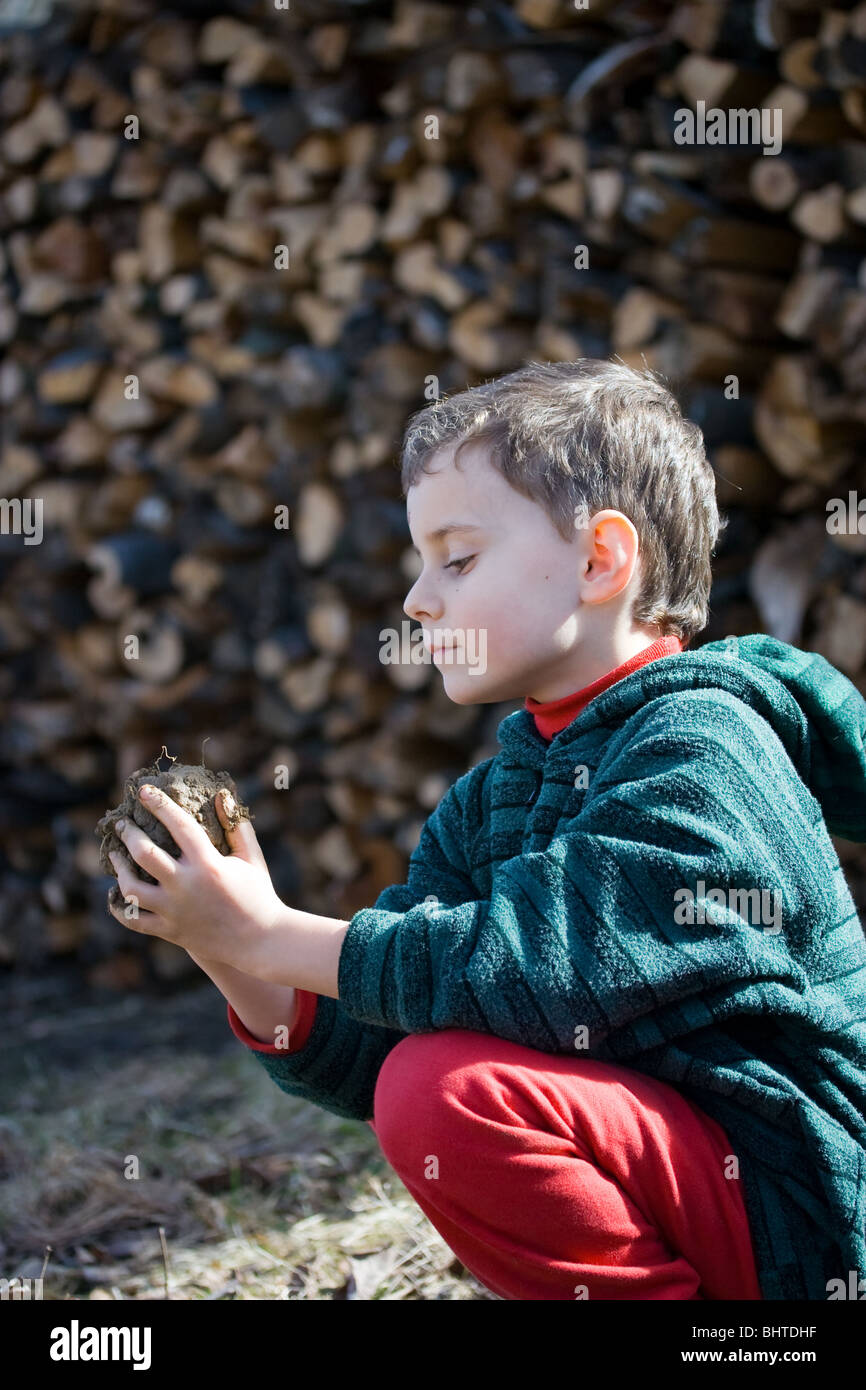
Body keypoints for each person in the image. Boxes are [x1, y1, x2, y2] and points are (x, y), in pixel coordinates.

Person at [198, 359, 866, 1300]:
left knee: (447, 1094)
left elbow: (544, 960)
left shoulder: (704, 744)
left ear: (601, 561)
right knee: (426, 1078)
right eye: (419, 563)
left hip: (798, 1215)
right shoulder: (490, 799)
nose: (417, 600)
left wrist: (273, 935)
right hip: (687, 1187)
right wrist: (229, 944)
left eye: (457, 558)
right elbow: (385, 1038)